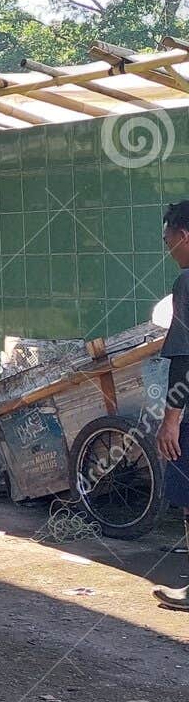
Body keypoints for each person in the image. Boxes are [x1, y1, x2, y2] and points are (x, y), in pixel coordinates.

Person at [154, 201, 189, 609]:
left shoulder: (186, 282)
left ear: (184, 235)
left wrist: (171, 420)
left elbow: (184, 357)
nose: (169, 250)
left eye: (168, 241)